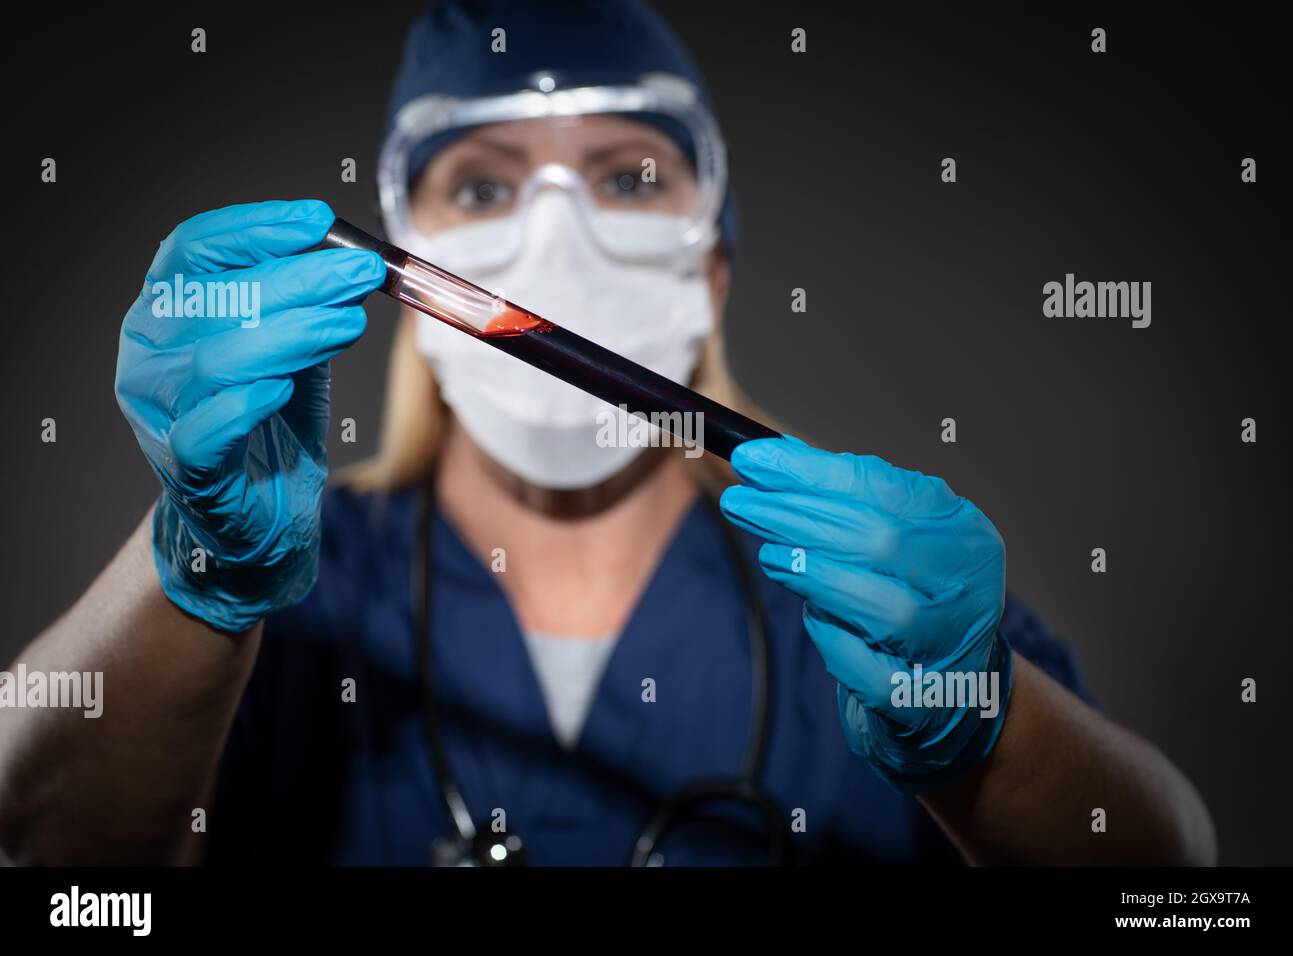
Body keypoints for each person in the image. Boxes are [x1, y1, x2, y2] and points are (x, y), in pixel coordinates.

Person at [0, 0, 1214, 866]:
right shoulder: (309, 592)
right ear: (401, 263)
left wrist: (974, 714)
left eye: (629, 175)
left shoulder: (862, 593)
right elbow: (52, 859)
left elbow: (1171, 873)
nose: (555, 233)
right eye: (481, 182)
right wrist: (201, 571)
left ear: (716, 261)